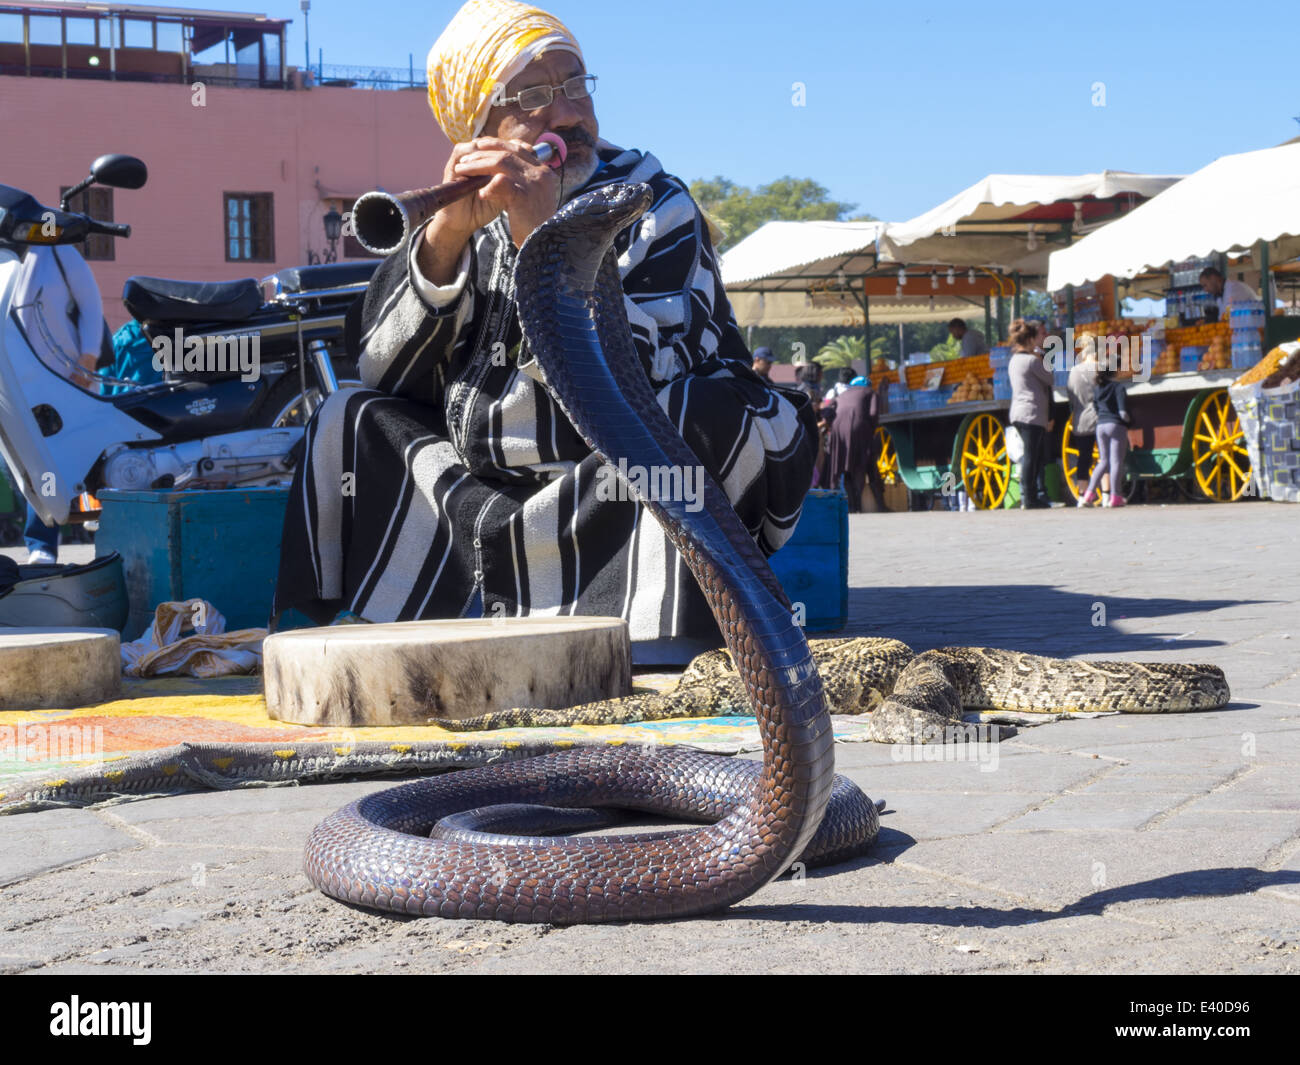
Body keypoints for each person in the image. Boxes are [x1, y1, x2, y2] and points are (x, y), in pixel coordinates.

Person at [271, 0, 817, 645]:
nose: (567, 113)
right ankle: (326, 634)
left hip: (614, 474)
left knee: (702, 413)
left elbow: (649, 372)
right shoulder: (464, 207)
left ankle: (655, 635)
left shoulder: (650, 200)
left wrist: (542, 235)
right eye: (531, 95)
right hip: (483, 485)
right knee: (347, 414)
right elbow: (381, 371)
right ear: (479, 127)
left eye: (575, 83)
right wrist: (445, 236)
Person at [10, 243, 105, 564]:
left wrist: (89, 356)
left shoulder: (55, 250)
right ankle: (41, 546)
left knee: (87, 462)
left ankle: (106, 537)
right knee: (31, 467)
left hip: (69, 378)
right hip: (17, 385)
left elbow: (90, 304)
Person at [1007, 318, 1053, 509]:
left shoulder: (1014, 360)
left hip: (1018, 411)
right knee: (1031, 456)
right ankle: (1029, 496)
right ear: (1031, 339)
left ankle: (1030, 495)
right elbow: (1050, 377)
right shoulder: (1032, 361)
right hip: (1032, 412)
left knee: (1030, 454)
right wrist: (1041, 355)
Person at [825, 379, 886, 513]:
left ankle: (852, 506)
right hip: (859, 427)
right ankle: (864, 505)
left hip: (837, 431)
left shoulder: (842, 395)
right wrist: (871, 429)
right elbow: (874, 413)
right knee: (860, 465)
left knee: (845, 467)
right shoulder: (870, 392)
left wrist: (833, 427)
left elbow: (828, 411)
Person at [1079, 363, 1130, 508]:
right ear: (1117, 371)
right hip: (1115, 425)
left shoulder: (1097, 389)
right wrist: (1129, 422)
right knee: (1116, 462)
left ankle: (1089, 494)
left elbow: (1095, 407)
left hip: (1100, 426)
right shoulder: (1118, 387)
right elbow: (1123, 412)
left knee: (1103, 461)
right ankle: (1116, 496)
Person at [1066, 337, 1099, 501]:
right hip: (1100, 418)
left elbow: (1071, 396)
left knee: (1083, 458)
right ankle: (1107, 493)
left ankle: (1082, 493)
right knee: (1105, 457)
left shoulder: (1074, 371)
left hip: (1080, 420)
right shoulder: (1100, 369)